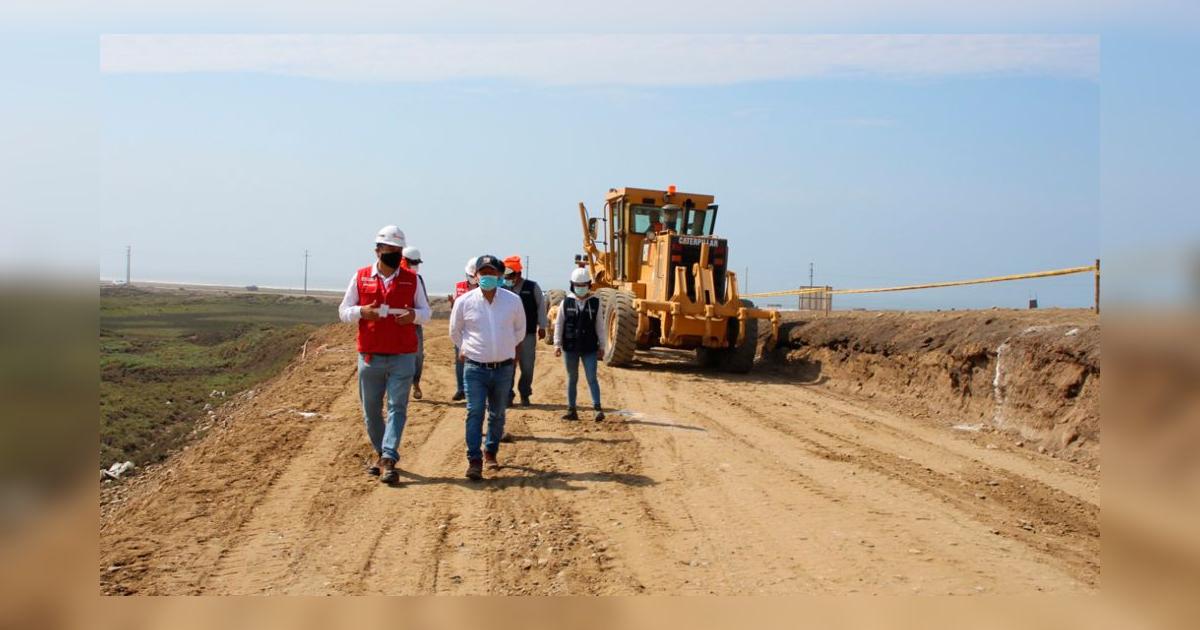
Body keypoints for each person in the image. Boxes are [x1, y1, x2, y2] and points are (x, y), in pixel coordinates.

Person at [338, 225, 431, 484]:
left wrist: (414, 316)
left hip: (403, 354)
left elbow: (426, 313)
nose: (393, 254)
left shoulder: (412, 279)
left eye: (397, 251)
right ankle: (381, 453)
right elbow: (343, 311)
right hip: (370, 355)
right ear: (377, 250)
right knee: (371, 410)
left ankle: (389, 457)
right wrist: (360, 312)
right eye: (389, 250)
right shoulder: (360, 277)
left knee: (397, 406)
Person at [449, 255, 526, 480]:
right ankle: (474, 460)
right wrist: (465, 347)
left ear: (500, 276)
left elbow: (520, 330)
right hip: (474, 367)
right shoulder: (465, 302)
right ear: (475, 276)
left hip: (503, 368)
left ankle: (490, 452)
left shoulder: (512, 301)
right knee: (474, 412)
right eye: (483, 273)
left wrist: (505, 347)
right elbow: (455, 330)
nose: (487, 277)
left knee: (497, 413)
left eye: (492, 273)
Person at [554, 267, 606, 421]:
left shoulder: (595, 303)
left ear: (589, 285)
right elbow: (559, 324)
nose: (580, 288)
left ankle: (597, 408)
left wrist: (602, 346)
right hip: (570, 348)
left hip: (589, 348)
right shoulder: (566, 302)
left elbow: (600, 326)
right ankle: (572, 410)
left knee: (592, 377)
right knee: (572, 378)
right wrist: (557, 344)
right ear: (572, 285)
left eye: (583, 285)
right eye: (578, 285)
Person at [502, 255, 547, 407]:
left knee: (527, 367)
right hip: (508, 335)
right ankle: (508, 395)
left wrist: (542, 326)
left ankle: (525, 392)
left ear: (518, 274)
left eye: (510, 275)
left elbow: (541, 306)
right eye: (505, 275)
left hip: (528, 334)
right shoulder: (502, 289)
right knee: (508, 366)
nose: (507, 278)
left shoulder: (532, 287)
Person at [448, 257, 477, 401]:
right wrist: (452, 304)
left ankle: (475, 390)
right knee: (460, 359)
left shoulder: (485, 288)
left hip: (476, 329)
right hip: (461, 329)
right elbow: (454, 308)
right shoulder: (459, 286)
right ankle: (461, 389)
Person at [401, 246, 428, 400]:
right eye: (413, 262)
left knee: (417, 354)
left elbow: (424, 304)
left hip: (414, 323)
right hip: (394, 324)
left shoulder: (418, 279)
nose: (415, 265)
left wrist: (415, 314)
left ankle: (415, 382)